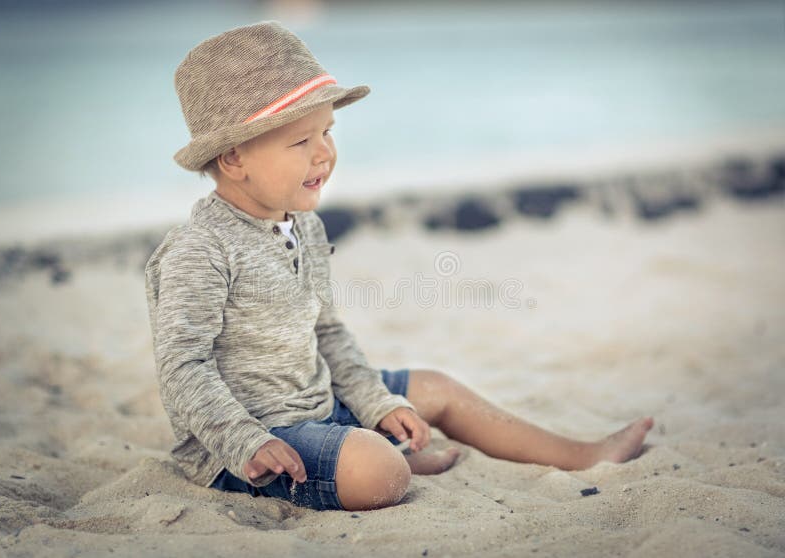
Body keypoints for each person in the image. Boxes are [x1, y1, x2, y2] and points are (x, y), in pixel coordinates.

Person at [144, 21, 653, 513]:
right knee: (379, 474)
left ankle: (581, 455)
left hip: (319, 398)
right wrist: (244, 439)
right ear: (233, 159)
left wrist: (375, 403)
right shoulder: (200, 249)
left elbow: (328, 332)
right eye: (301, 141)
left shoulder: (304, 226)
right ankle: (377, 452)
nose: (324, 153)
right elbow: (183, 367)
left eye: (327, 132)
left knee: (439, 389)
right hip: (253, 438)